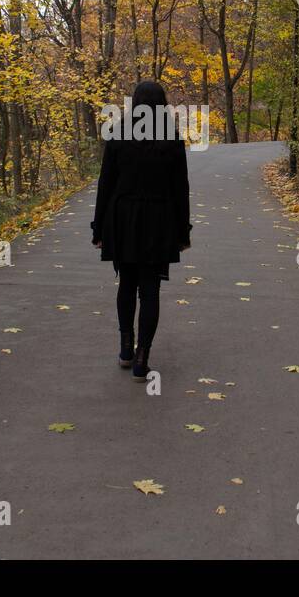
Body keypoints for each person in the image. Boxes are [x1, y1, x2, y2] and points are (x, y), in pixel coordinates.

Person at [90, 81, 192, 378]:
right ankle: (142, 357)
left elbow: (105, 184)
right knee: (150, 290)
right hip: (158, 221)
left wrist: (98, 228)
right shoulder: (171, 139)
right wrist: (183, 232)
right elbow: (180, 189)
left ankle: (125, 347)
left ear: (134, 103)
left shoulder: (118, 134)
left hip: (123, 219)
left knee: (127, 284)